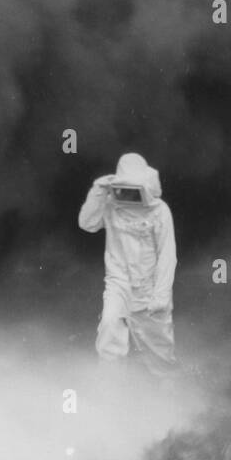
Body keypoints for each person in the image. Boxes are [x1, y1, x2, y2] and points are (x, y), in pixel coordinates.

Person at [78, 152, 179, 377]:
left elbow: (167, 255)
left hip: (149, 287)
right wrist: (97, 191)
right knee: (109, 327)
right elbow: (87, 223)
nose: (129, 197)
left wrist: (160, 295)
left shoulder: (160, 211)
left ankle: (167, 386)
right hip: (118, 284)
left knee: (159, 345)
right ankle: (110, 389)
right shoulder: (110, 205)